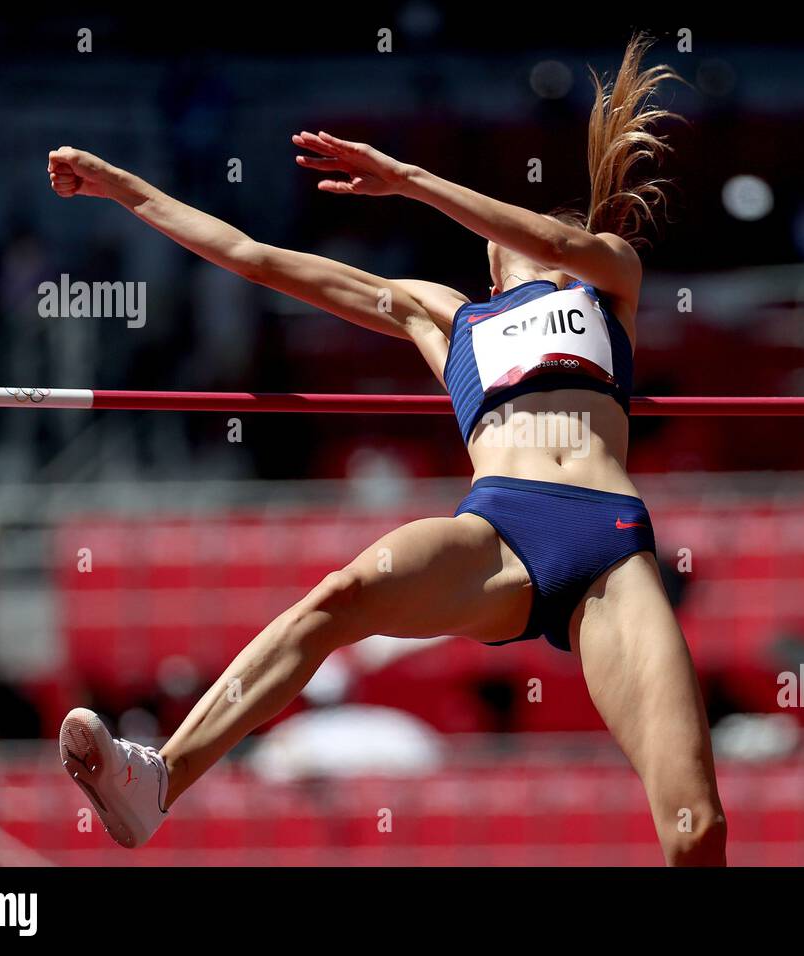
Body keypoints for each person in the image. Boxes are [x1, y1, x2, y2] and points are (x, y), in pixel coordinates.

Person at [52, 34, 726, 866]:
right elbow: (259, 261)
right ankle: (155, 780)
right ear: (485, 269)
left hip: (609, 545)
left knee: (696, 827)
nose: (508, 238)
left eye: (519, 229)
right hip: (500, 531)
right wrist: (126, 192)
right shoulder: (449, 317)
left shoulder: (606, 278)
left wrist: (408, 180)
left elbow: (548, 241)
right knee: (339, 598)